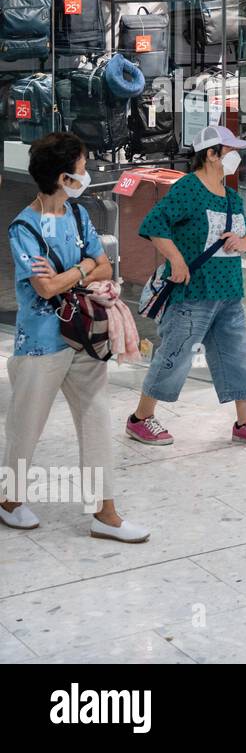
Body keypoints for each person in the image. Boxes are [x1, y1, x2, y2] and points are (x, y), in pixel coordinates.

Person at [3, 132, 149, 542]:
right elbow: (45, 289)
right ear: (63, 177)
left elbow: (103, 266)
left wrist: (77, 271)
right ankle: (10, 500)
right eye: (82, 169)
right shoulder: (24, 228)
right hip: (40, 343)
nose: (87, 175)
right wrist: (84, 268)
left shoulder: (80, 214)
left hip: (85, 337)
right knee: (25, 426)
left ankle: (105, 513)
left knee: (96, 420)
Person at [125, 125, 246, 448]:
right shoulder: (188, 190)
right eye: (230, 150)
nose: (236, 156)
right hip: (192, 294)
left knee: (240, 357)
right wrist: (176, 260)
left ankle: (244, 422)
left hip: (229, 295)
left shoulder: (231, 198)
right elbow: (154, 225)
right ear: (211, 154)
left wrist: (242, 240)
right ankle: (140, 419)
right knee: (173, 356)